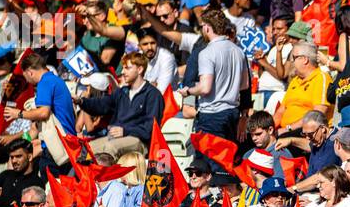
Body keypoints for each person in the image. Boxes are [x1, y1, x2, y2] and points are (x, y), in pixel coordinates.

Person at [175, 10, 244, 141]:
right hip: (232, 114)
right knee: (226, 158)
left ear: (206, 27)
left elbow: (205, 88)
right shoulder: (238, 51)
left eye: (202, 26)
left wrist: (188, 91)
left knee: (211, 159)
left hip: (212, 115)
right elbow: (244, 85)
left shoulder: (206, 52)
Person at [79, 51, 164, 158]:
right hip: (115, 137)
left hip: (140, 141)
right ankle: (85, 175)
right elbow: (102, 105)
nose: (122, 72)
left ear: (139, 69)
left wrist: (125, 131)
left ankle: (108, 175)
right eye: (123, 68)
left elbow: (150, 128)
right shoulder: (122, 92)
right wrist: (81, 101)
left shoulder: (153, 95)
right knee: (86, 150)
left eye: (127, 68)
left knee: (110, 148)